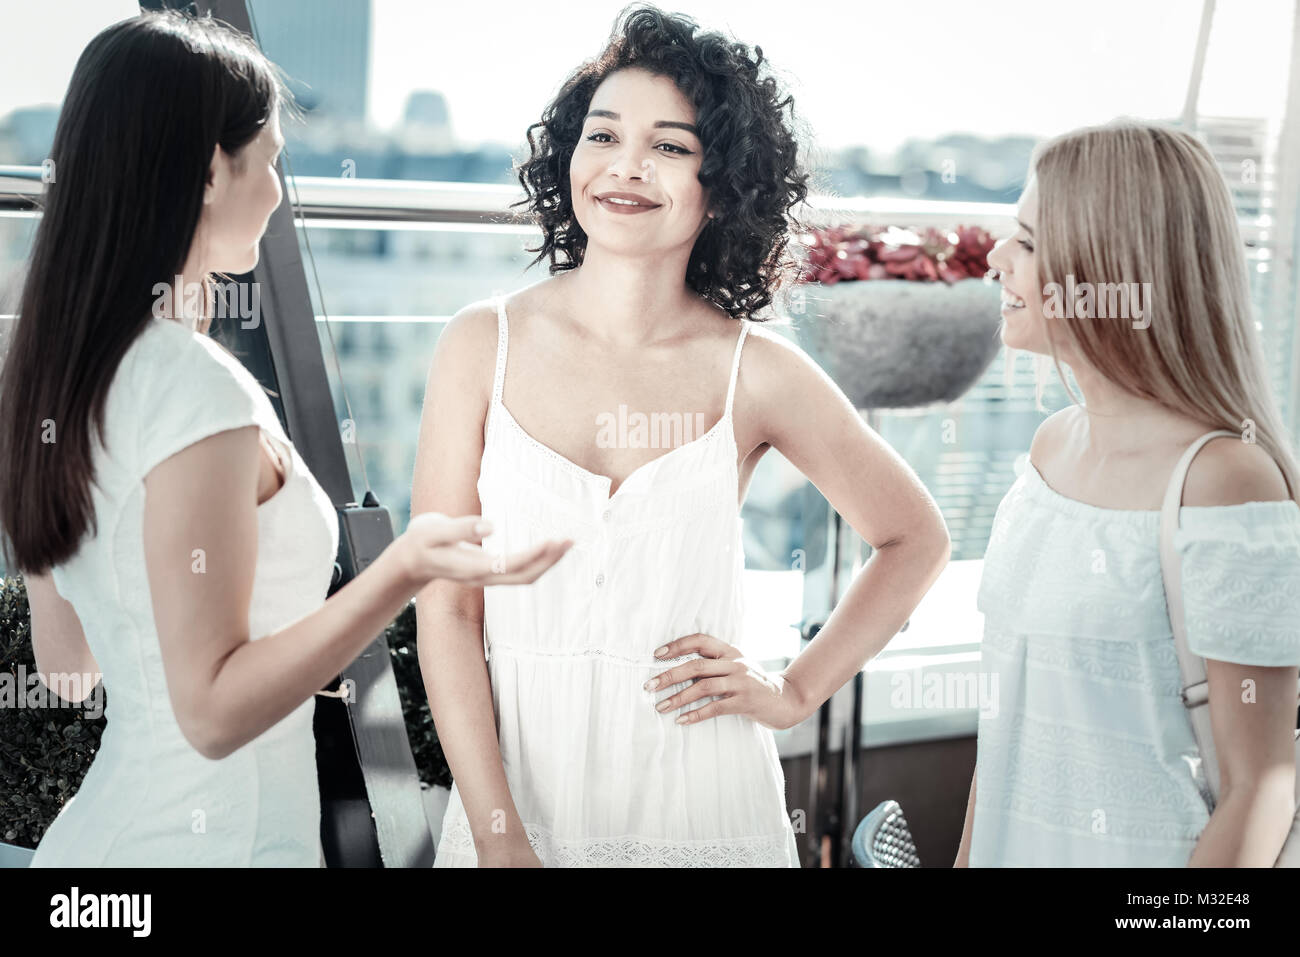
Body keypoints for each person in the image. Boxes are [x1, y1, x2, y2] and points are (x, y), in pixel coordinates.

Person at [0, 10, 571, 868]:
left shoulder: (62, 374)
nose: (276, 191)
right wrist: (405, 568)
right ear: (206, 173)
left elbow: (71, 665)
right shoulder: (199, 392)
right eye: (269, 161)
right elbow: (214, 713)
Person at [414, 4, 951, 867]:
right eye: (603, 136)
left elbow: (915, 537)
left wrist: (795, 687)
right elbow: (445, 605)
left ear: (722, 184)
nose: (626, 167)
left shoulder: (758, 372)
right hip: (516, 805)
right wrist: (497, 834)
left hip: (705, 805)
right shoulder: (480, 344)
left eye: (669, 146)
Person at [957, 119, 1300, 867]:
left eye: (1027, 240)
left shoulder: (1225, 481)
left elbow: (1263, 785)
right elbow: (1006, 727)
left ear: (1107, 264)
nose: (997, 257)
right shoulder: (1050, 448)